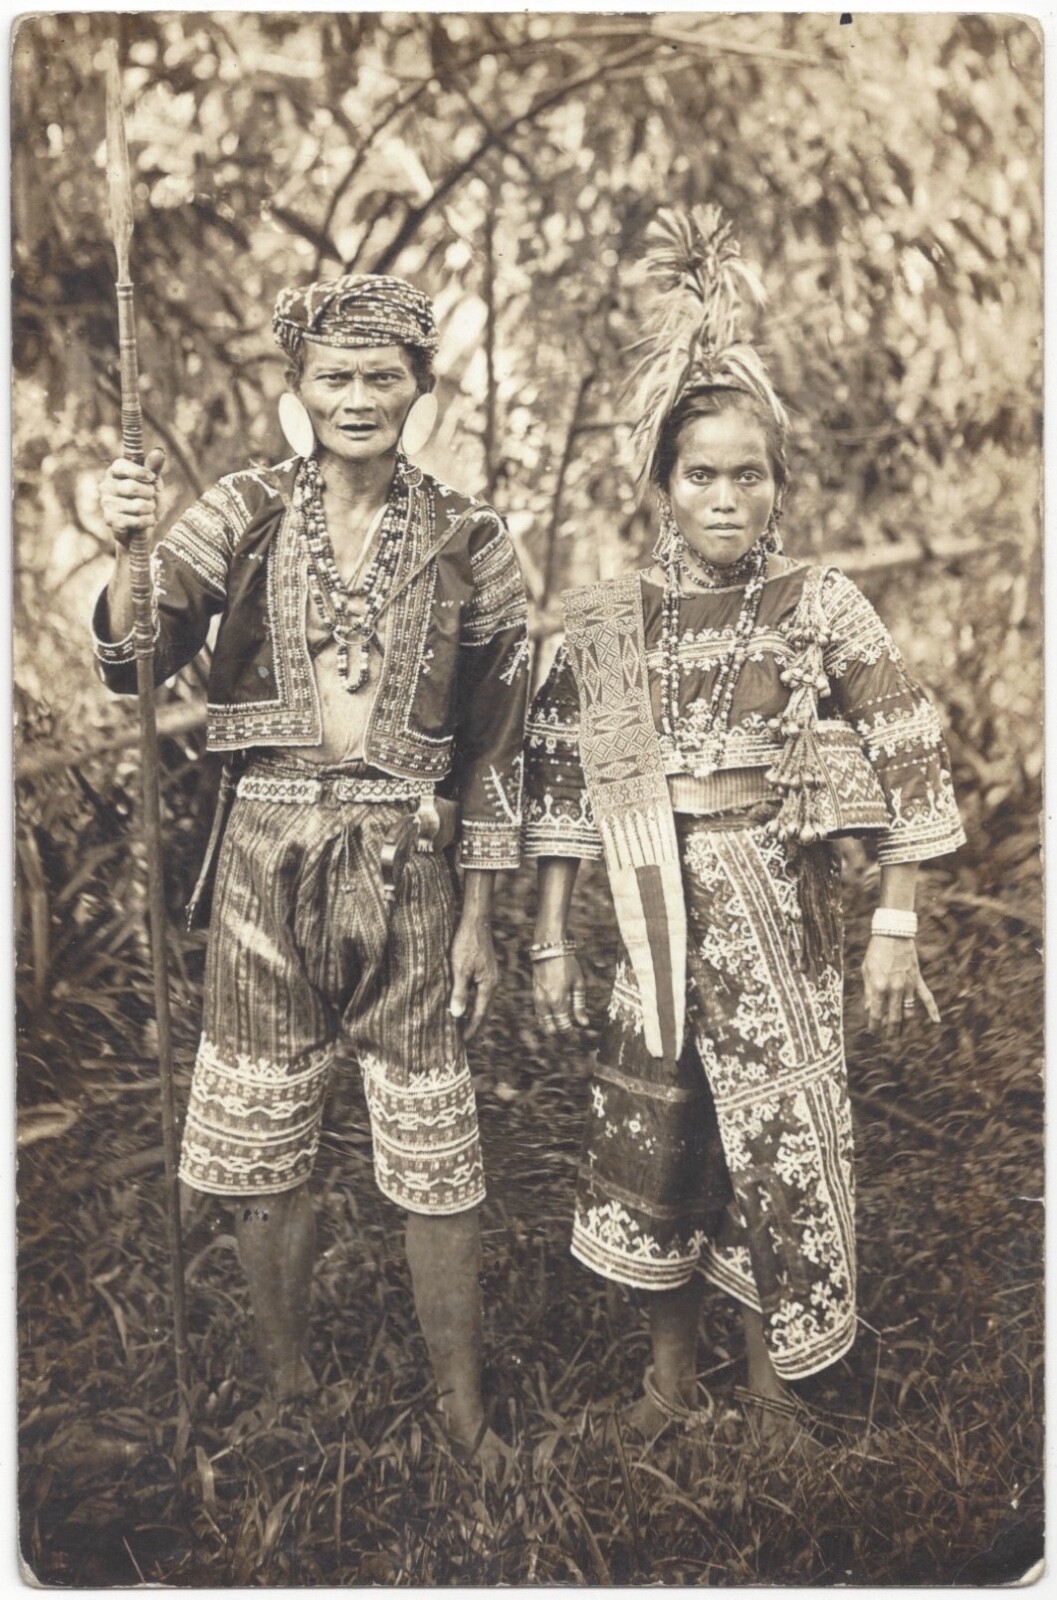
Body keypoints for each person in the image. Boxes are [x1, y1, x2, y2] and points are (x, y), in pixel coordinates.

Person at [522, 208, 965, 1444]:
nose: (727, 496)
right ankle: (669, 1383)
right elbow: (557, 785)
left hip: (778, 909)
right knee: (665, 1133)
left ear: (778, 483)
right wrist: (550, 940)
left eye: (749, 474)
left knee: (777, 1135)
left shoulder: (820, 600)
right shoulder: (610, 623)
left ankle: (776, 1391)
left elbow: (910, 749)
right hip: (654, 915)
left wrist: (895, 924)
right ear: (662, 485)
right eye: (701, 474)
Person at [93, 273, 528, 1468]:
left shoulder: (472, 538)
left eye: (383, 375)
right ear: (298, 389)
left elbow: (499, 743)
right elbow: (135, 659)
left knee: (434, 1139)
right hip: (264, 851)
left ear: (420, 390)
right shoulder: (237, 510)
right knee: (262, 1131)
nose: (357, 397)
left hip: (409, 855)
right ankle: (289, 1384)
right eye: (334, 376)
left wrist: (481, 916)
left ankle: (461, 1410)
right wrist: (127, 547)